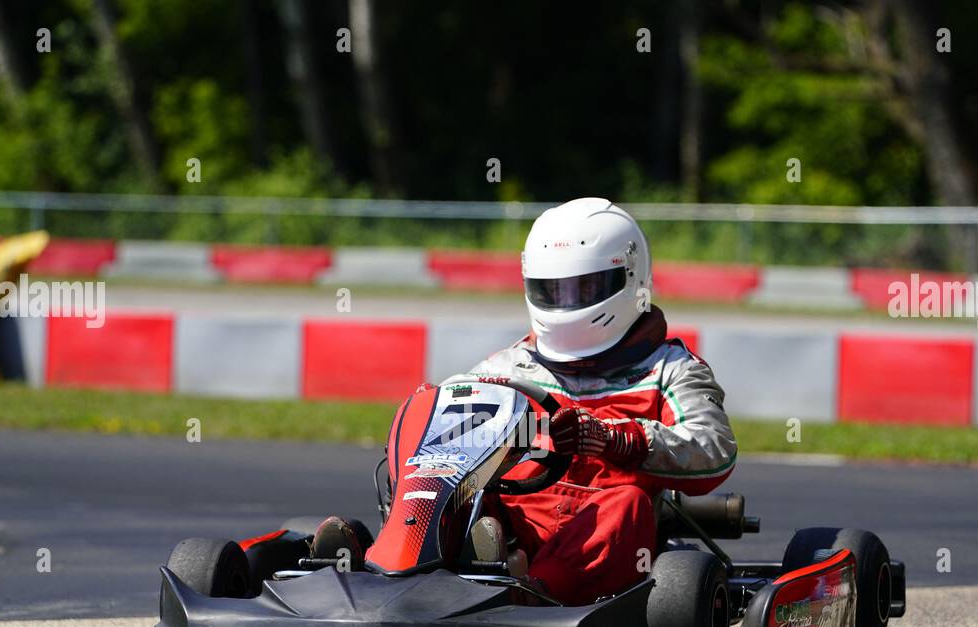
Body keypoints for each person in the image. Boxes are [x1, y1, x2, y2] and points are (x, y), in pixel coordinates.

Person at [312, 197, 737, 605]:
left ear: (629, 279)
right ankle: (392, 562)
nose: (566, 303)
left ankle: (524, 592)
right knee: (459, 483)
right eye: (553, 290)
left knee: (626, 505)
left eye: (582, 288)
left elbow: (713, 451)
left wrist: (617, 440)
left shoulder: (671, 369)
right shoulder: (507, 369)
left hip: (603, 525)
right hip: (516, 519)